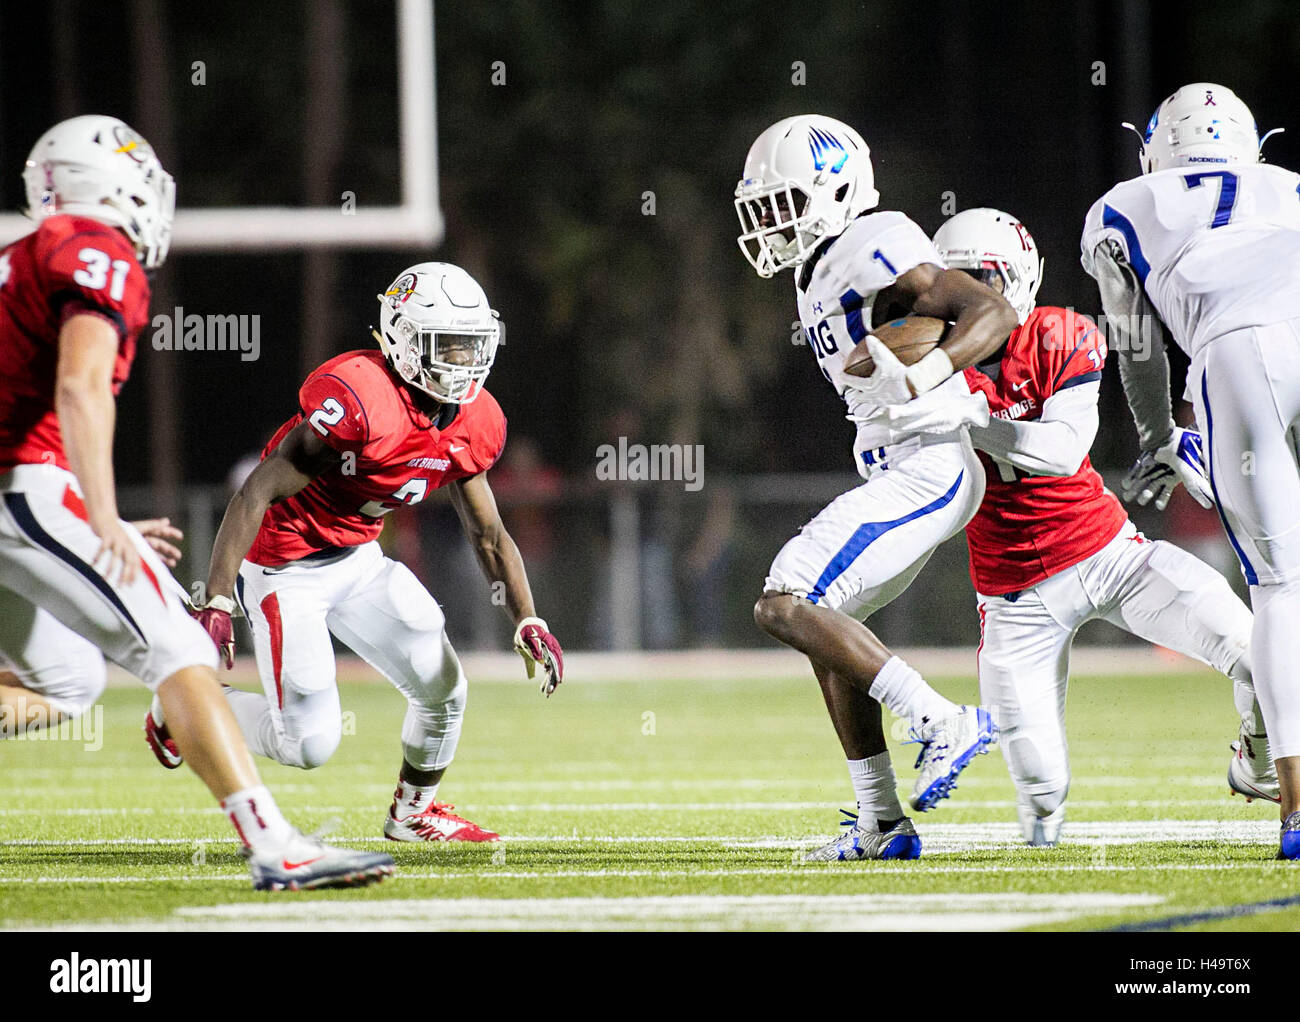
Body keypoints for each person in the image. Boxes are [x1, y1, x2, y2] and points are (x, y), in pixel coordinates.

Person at [0, 114, 392, 890]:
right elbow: (79, 389)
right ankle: (274, 844)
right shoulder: (95, 249)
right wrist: (98, 512)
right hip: (22, 488)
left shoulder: (16, 257)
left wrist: (78, 504)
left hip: (29, 493)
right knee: (180, 646)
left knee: (65, 683)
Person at [154, 261, 564, 844]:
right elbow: (258, 490)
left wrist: (527, 616)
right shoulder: (362, 399)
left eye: (472, 345)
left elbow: (489, 533)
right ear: (402, 339)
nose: (464, 361)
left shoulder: (474, 420)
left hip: (358, 561)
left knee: (445, 688)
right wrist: (218, 598)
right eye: (447, 345)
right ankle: (183, 705)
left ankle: (413, 813)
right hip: (285, 565)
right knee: (308, 743)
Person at [934, 207, 1276, 846]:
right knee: (1040, 798)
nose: (975, 298)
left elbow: (1064, 449)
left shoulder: (1061, 333)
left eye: (985, 278)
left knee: (1259, 650)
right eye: (961, 284)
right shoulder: (930, 359)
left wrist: (965, 418)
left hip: (1109, 557)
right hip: (1012, 599)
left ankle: (1257, 765)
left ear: (1020, 278)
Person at [734, 114, 1017, 861]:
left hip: (930, 460)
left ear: (837, 190)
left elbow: (991, 311)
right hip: (902, 466)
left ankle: (942, 720)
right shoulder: (818, 269)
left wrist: (925, 371)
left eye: (784, 203)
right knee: (831, 636)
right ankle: (882, 822)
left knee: (783, 599)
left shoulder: (872, 237)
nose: (773, 223)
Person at [1081, 83, 1300, 858]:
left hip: (1237, 351)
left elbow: (1137, 344)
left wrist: (1159, 435)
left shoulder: (1123, 206)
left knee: (1280, 586)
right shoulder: (1290, 187)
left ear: (1156, 149)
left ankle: (1290, 800)